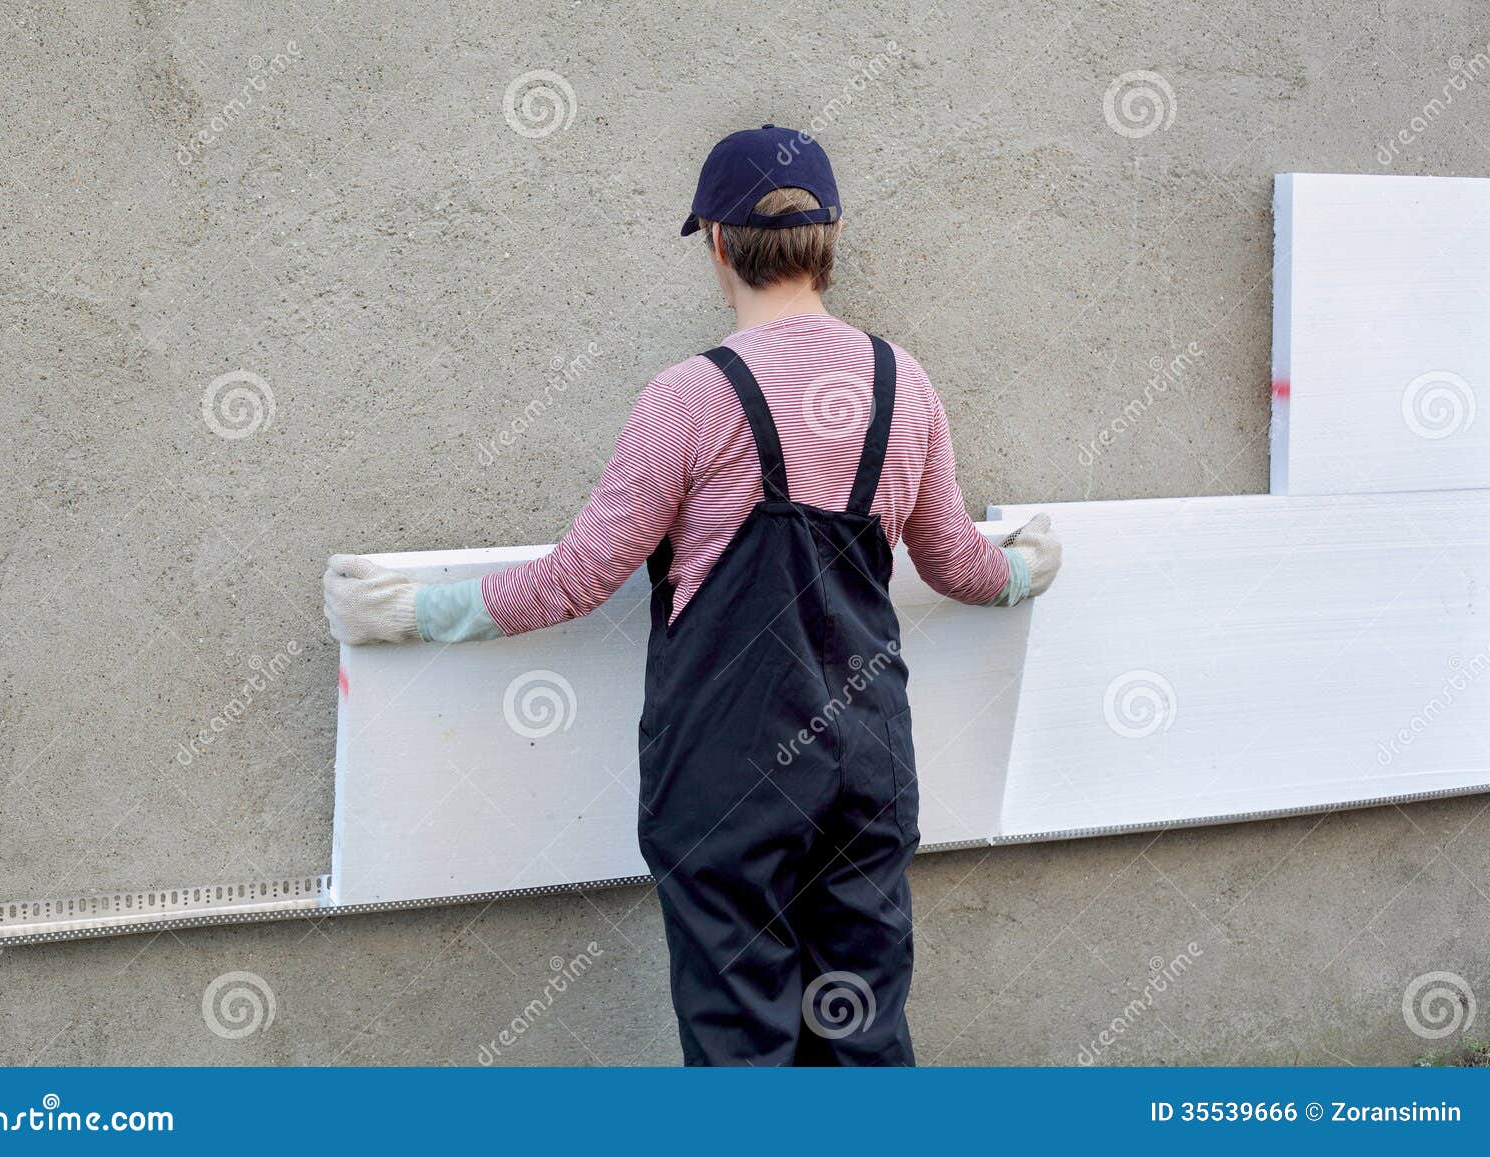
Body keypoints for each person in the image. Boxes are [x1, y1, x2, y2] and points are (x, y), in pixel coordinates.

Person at [322, 125, 1061, 1066]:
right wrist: (1031, 568)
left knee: (740, 1048)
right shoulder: (902, 386)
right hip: (867, 766)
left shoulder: (690, 398)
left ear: (716, 242)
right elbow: (957, 560)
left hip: (730, 779)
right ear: (829, 236)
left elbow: (575, 578)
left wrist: (409, 611)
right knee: (863, 1036)